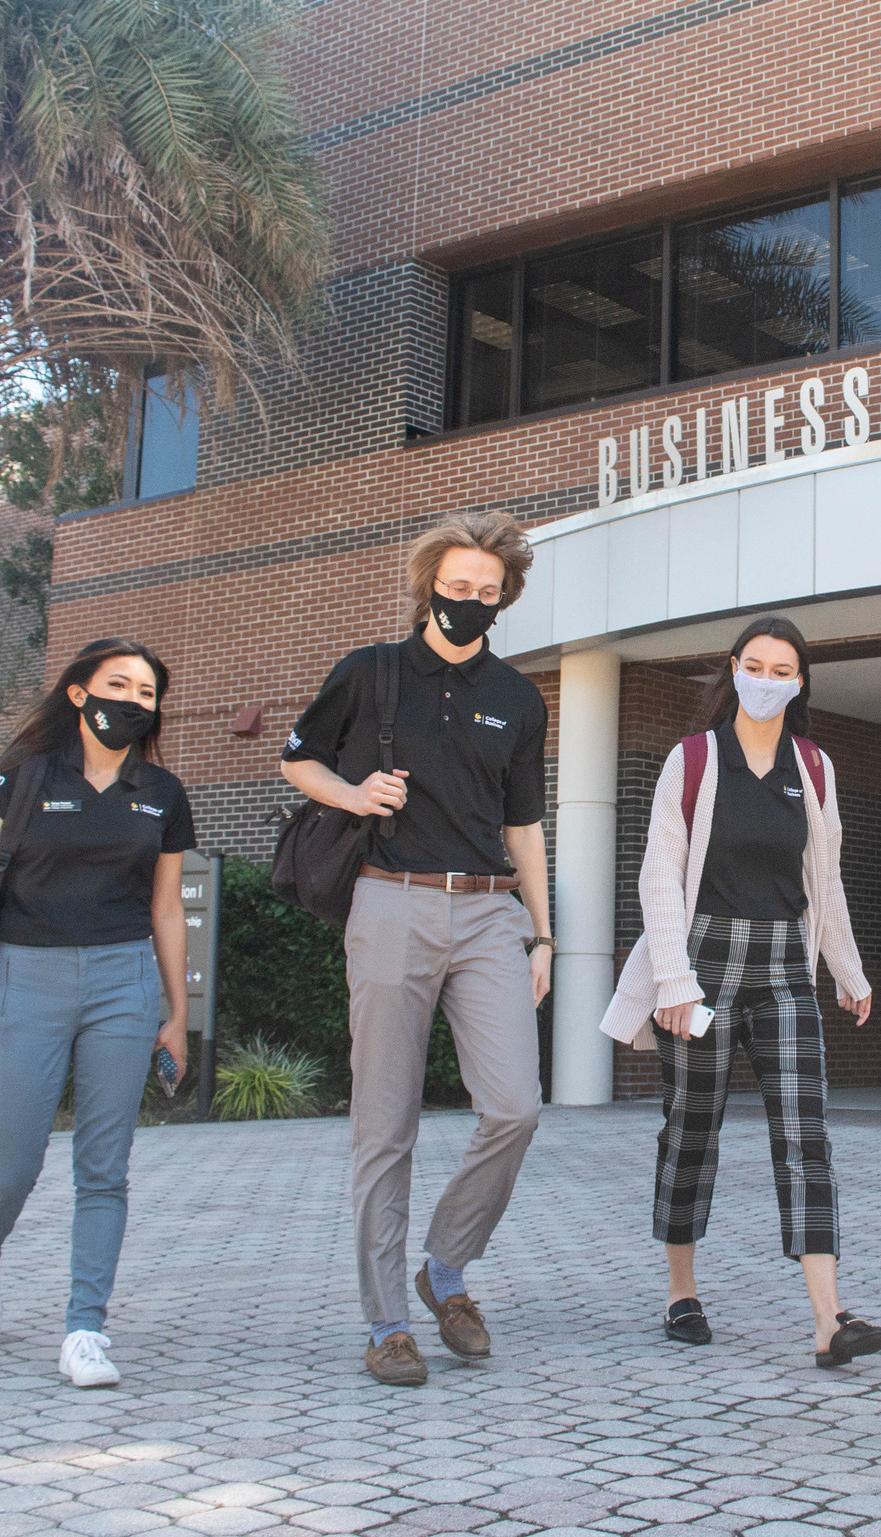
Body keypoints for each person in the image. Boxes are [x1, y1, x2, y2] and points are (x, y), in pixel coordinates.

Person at [280, 511, 553, 1388]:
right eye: (457, 586)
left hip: (486, 915)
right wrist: (357, 795)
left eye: (487, 591)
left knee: (515, 1107)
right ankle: (386, 1320)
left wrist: (542, 932)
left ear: (504, 597)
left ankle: (443, 1269)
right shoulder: (371, 674)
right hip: (390, 903)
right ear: (427, 583)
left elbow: (525, 825)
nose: (470, 601)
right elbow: (297, 760)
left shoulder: (518, 698)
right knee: (384, 1122)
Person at [603, 616, 881, 1367]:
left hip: (782, 971)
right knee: (691, 1129)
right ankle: (680, 1291)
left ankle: (829, 1321)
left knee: (806, 1135)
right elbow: (658, 875)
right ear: (733, 670)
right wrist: (672, 978)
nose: (765, 681)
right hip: (698, 964)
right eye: (754, 666)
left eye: (781, 670)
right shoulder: (693, 761)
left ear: (799, 683)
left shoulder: (814, 768)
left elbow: (824, 881)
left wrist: (848, 971)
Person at [0, 638, 195, 1388]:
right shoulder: (24, 777)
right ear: (78, 693)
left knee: (104, 1168)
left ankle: (85, 1329)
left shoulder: (161, 793)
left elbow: (168, 909)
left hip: (123, 981)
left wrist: (177, 1010)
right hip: (27, 977)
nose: (133, 700)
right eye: (118, 684)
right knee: (13, 1164)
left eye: (146, 691)